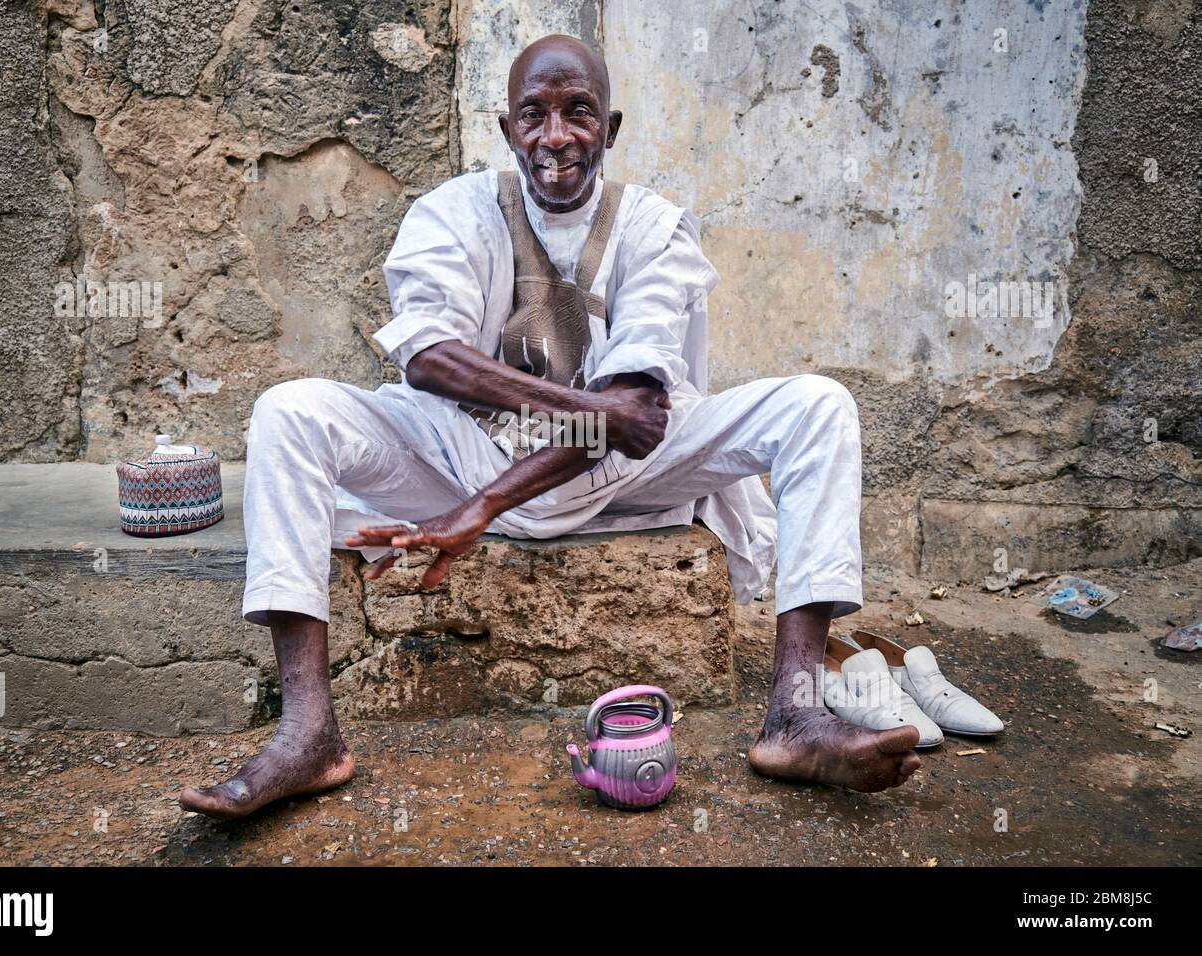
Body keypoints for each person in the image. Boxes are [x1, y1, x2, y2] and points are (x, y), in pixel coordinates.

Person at [178, 34, 921, 821]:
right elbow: (430, 359)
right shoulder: (453, 212)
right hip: (463, 450)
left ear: (613, 126)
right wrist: (523, 467)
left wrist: (497, 497)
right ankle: (307, 734)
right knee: (287, 412)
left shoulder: (656, 229)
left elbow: (639, 412)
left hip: (624, 469)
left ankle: (796, 716)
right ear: (507, 130)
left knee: (817, 403)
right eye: (533, 114)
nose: (555, 136)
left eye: (579, 113)